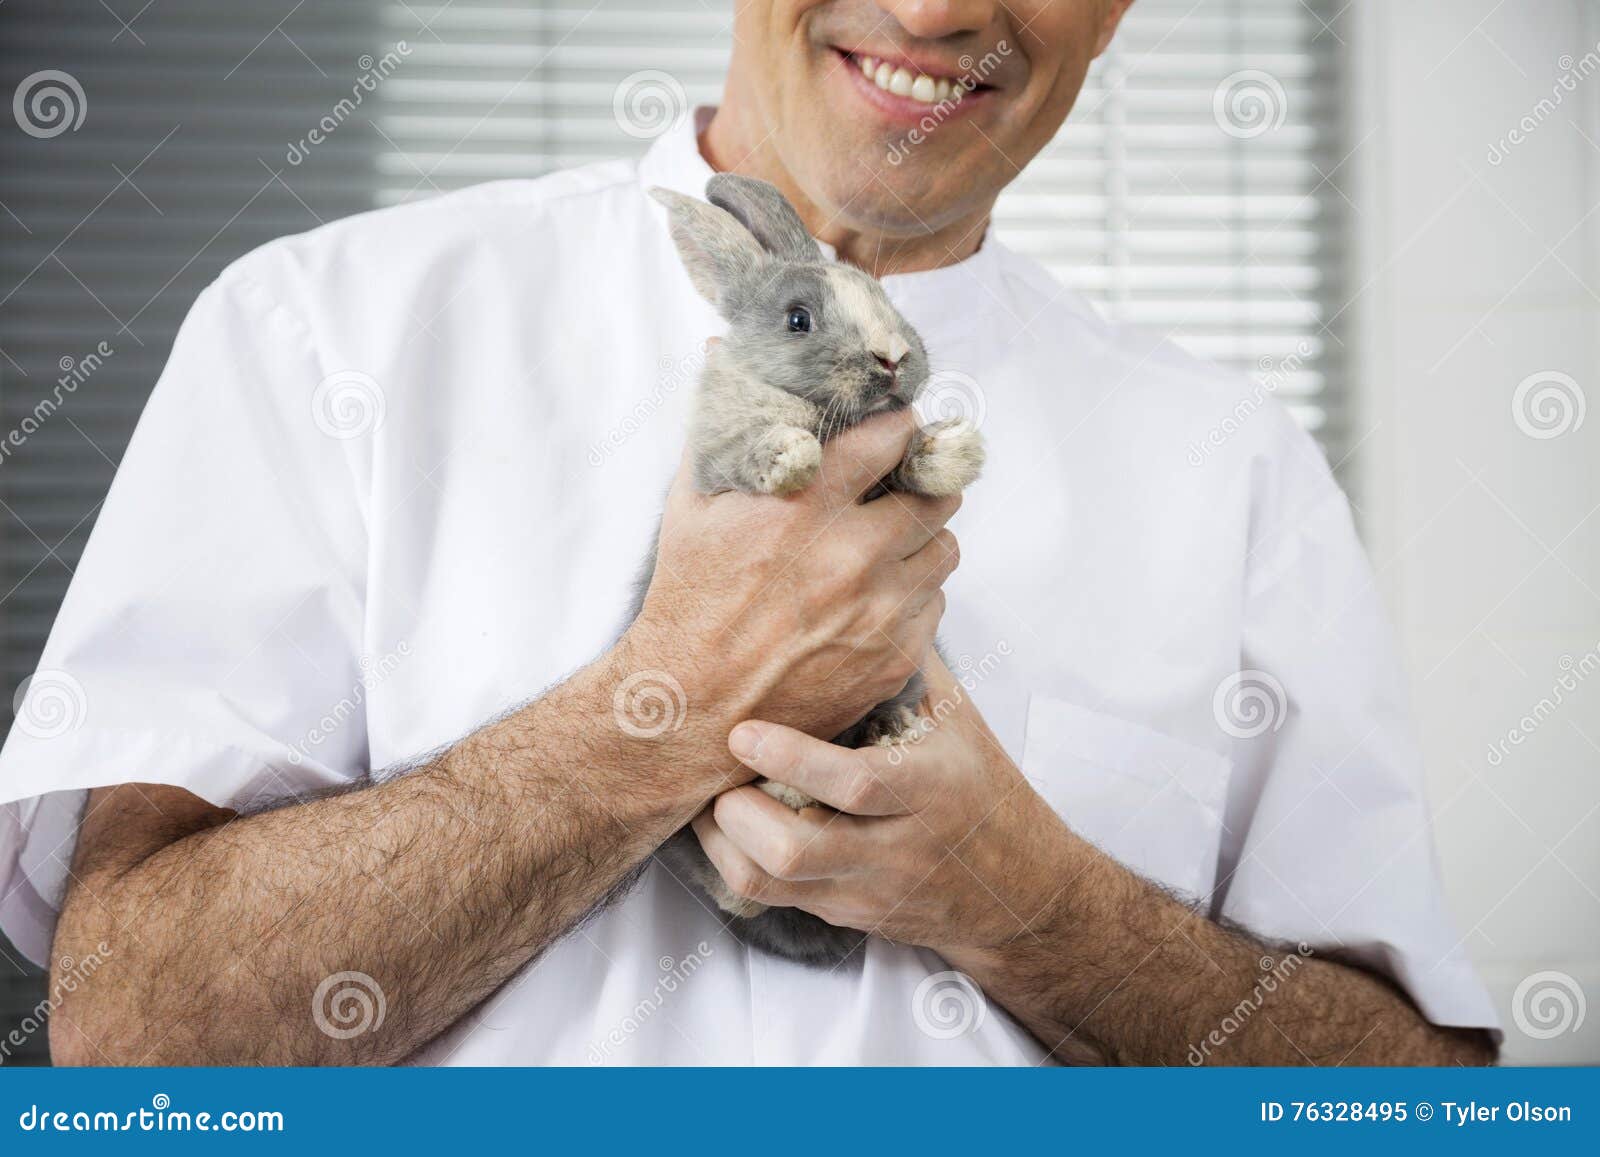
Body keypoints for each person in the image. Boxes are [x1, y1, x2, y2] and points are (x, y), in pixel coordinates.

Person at [0, 0, 1497, 1065]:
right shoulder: (328, 334)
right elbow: (131, 1036)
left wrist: (1034, 905)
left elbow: (1416, 1106)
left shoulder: (1237, 472)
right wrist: (663, 709)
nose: (933, 9)